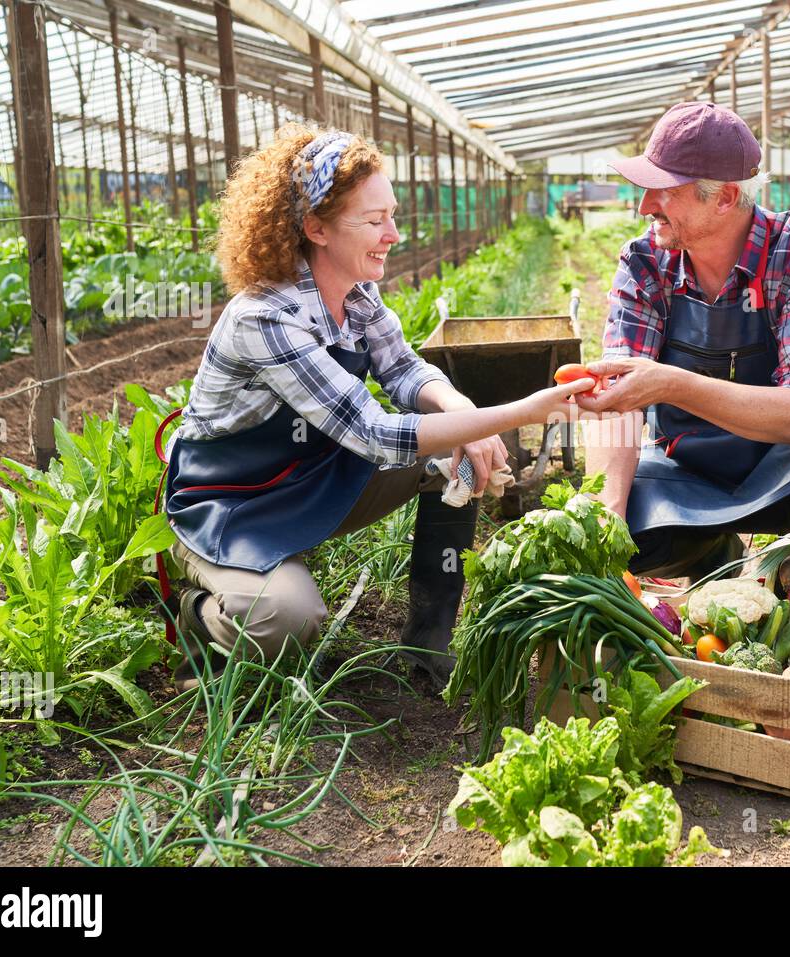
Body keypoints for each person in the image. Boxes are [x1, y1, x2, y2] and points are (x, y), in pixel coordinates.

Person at [161, 126, 593, 692]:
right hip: (230, 505)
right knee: (287, 617)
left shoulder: (358, 296)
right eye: (373, 220)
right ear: (315, 228)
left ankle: (428, 650)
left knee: (454, 464)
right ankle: (197, 611)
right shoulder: (264, 318)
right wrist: (521, 412)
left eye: (391, 215)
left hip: (312, 480)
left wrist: (463, 410)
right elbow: (374, 433)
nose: (393, 234)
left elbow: (407, 371)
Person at [577, 102, 790, 579]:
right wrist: (607, 507)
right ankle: (713, 553)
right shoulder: (644, 261)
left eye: (662, 191)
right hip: (689, 468)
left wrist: (673, 384)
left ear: (724, 197)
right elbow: (617, 395)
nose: (644, 206)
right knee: (618, 526)